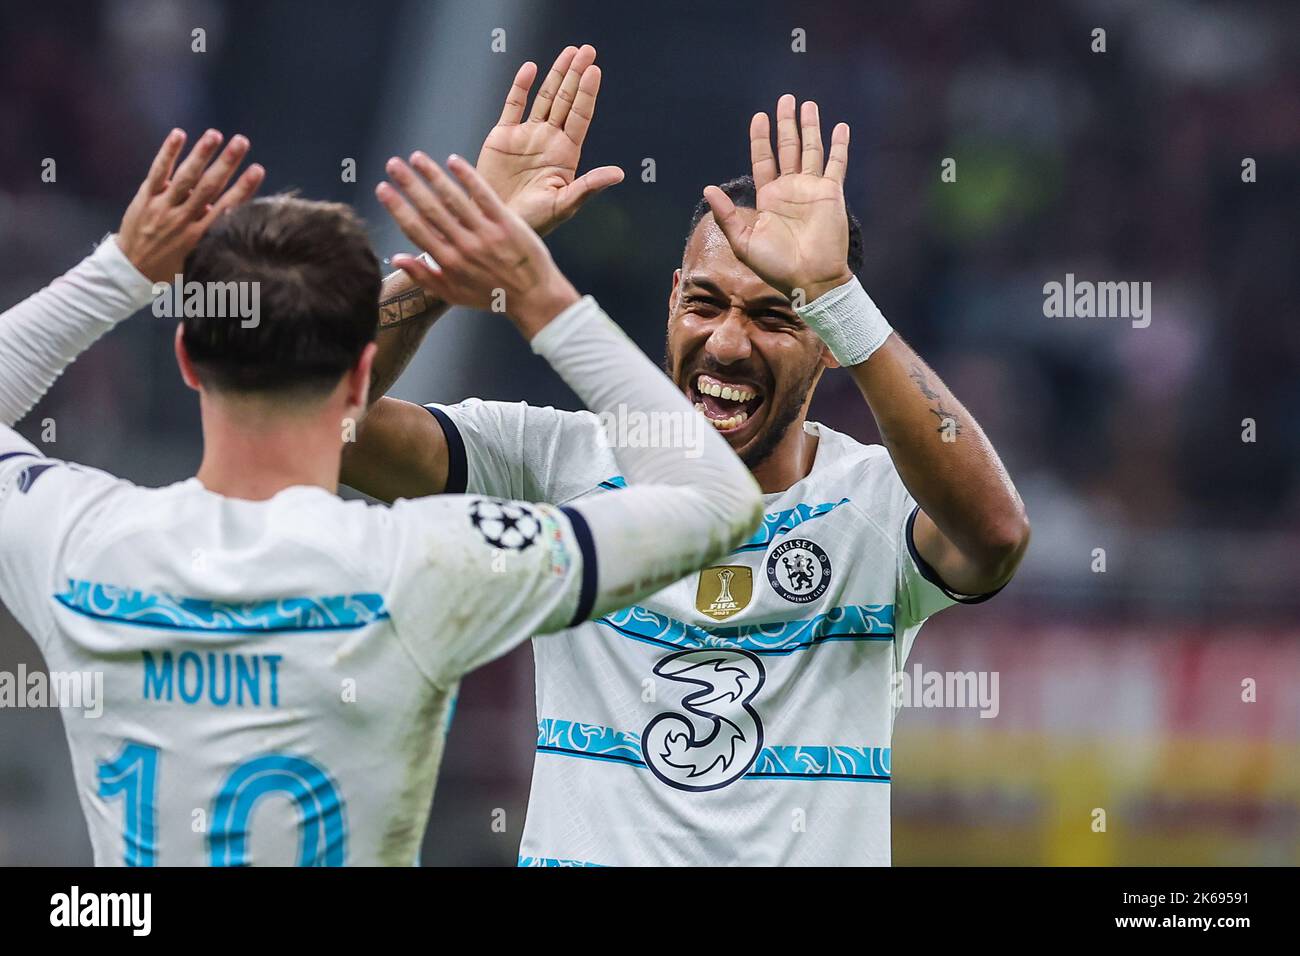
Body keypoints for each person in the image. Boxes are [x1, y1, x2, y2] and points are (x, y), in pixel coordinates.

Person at [0, 128, 761, 865]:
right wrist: (533, 290)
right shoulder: (430, 562)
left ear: (188, 360)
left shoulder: (79, 541)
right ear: (362, 379)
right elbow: (715, 498)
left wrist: (122, 272)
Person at [343, 50, 1031, 864]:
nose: (729, 343)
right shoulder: (555, 463)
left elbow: (995, 535)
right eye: (704, 303)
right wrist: (452, 265)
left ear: (832, 343)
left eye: (777, 316)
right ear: (672, 300)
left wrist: (839, 296)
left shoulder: (876, 505)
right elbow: (328, 421)